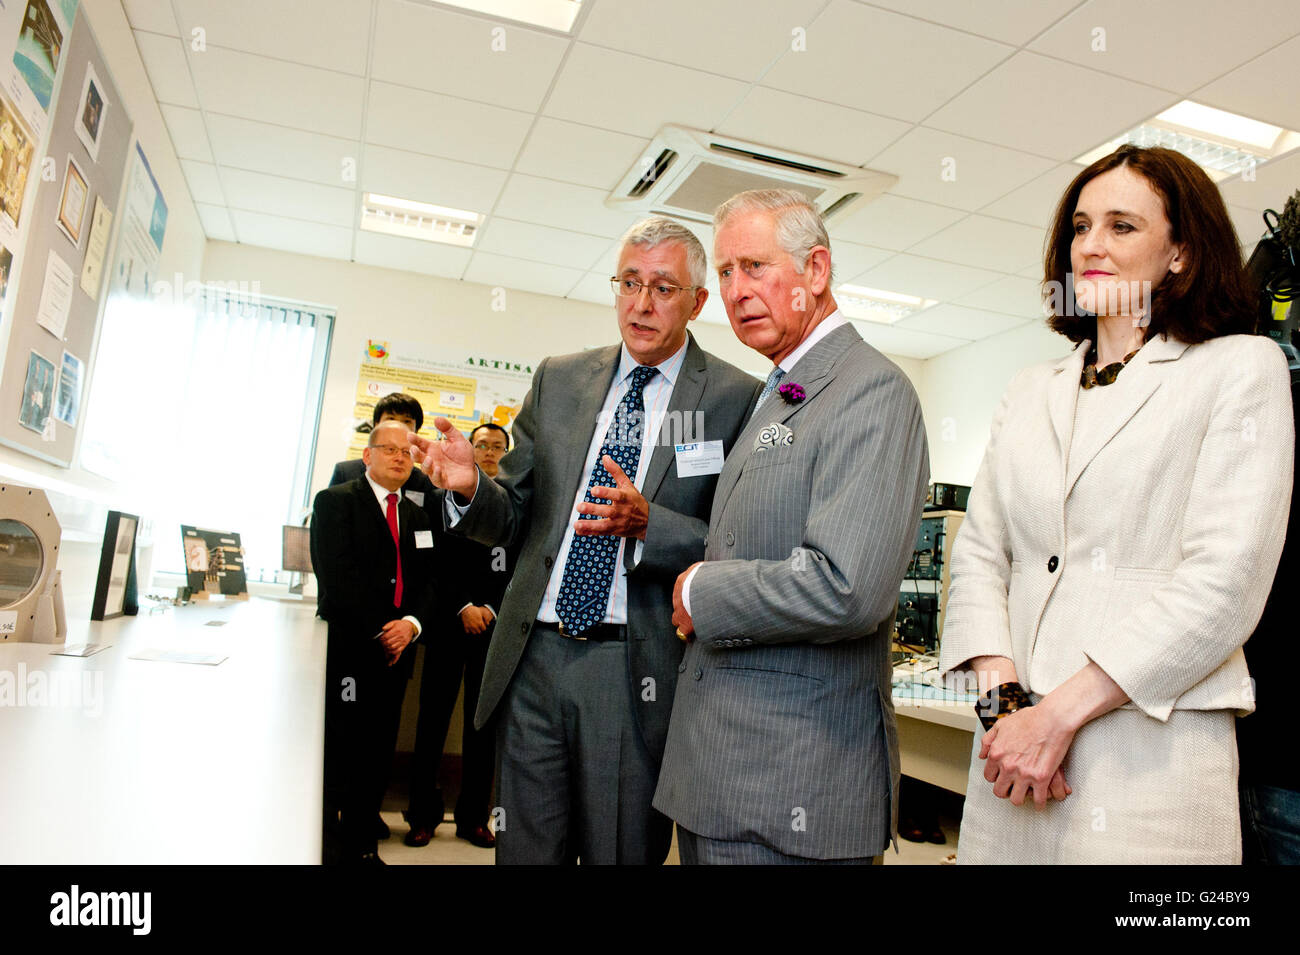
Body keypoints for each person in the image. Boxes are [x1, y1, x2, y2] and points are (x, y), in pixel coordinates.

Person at [938, 144, 1294, 864]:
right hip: (1012, 763)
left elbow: (1226, 580)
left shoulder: (1238, 369)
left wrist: (1058, 717)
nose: (1090, 245)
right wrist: (1008, 713)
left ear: (1182, 253)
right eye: (1079, 225)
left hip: (1148, 763)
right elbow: (980, 556)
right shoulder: (1030, 388)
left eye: (1122, 226)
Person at [414, 216, 761, 864]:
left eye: (662, 287)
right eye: (629, 282)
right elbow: (515, 515)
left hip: (634, 668)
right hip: (534, 657)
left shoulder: (734, 399)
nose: (641, 302)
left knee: (620, 848)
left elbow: (738, 542)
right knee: (526, 851)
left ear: (697, 300)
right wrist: (469, 488)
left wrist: (650, 524)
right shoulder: (561, 378)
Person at [654, 189, 930, 864]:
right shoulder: (780, 391)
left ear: (815, 270)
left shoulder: (871, 390)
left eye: (754, 266)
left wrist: (701, 593)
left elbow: (847, 586)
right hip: (722, 776)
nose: (735, 289)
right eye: (724, 272)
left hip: (788, 790)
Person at [311, 420, 439, 864]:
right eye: (389, 450)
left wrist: (411, 626)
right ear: (367, 456)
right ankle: (327, 848)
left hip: (399, 651)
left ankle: (364, 848)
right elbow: (337, 578)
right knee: (340, 750)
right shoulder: (335, 502)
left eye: (407, 452)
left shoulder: (420, 516)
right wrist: (382, 629)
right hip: (351, 648)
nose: (400, 458)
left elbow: (427, 583)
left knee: (378, 751)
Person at [404, 422, 516, 850]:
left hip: (493, 629)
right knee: (431, 724)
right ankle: (422, 816)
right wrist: (463, 606)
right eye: (481, 445)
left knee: (481, 727)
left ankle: (473, 818)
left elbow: (515, 567)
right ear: (467, 449)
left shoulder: (511, 505)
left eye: (496, 446)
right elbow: (432, 566)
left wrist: (487, 607)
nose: (488, 452)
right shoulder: (436, 501)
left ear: (506, 453)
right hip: (447, 624)